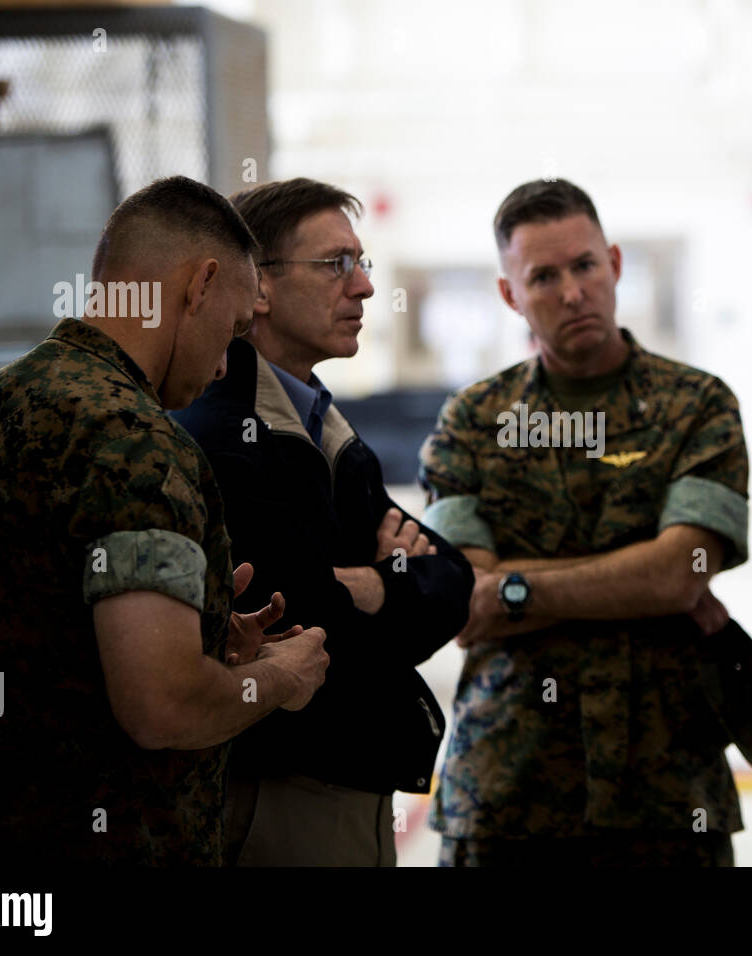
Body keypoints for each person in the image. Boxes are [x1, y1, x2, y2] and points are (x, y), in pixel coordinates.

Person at [0, 176, 330, 866]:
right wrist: (281, 678)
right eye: (229, 333)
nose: (224, 365)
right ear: (201, 284)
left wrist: (202, 636)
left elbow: (31, 625)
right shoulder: (135, 439)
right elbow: (162, 707)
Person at [419, 179, 750, 867]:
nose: (572, 292)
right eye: (543, 276)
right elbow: (462, 601)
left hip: (665, 788)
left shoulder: (698, 406)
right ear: (511, 295)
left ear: (616, 265)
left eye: (585, 266)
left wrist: (511, 587)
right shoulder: (473, 421)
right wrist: (633, 574)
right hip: (508, 790)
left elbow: (677, 576)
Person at [173, 178, 472, 866]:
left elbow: (454, 579)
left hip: (345, 796)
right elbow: (310, 629)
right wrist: (392, 580)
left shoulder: (322, 427)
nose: (365, 286)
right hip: (281, 797)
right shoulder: (224, 434)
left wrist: (373, 584)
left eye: (362, 262)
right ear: (258, 289)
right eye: (337, 264)